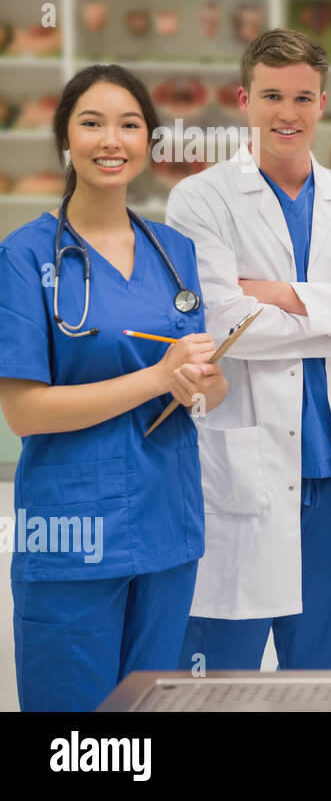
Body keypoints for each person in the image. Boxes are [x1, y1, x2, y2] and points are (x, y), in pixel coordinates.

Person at [166, 29, 331, 671]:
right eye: (272, 96)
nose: (288, 113)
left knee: (325, 677)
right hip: (239, 474)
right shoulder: (200, 200)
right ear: (243, 99)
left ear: (322, 102)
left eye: (303, 97)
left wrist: (281, 293)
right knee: (219, 677)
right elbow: (227, 324)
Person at [0, 65, 226, 710]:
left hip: (167, 523)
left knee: (145, 718)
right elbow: (24, 413)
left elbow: (209, 390)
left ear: (149, 141)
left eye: (129, 125)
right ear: (65, 140)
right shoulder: (26, 257)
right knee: (74, 730)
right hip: (73, 528)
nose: (111, 140)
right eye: (92, 123)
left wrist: (201, 383)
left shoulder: (173, 251)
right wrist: (156, 377)